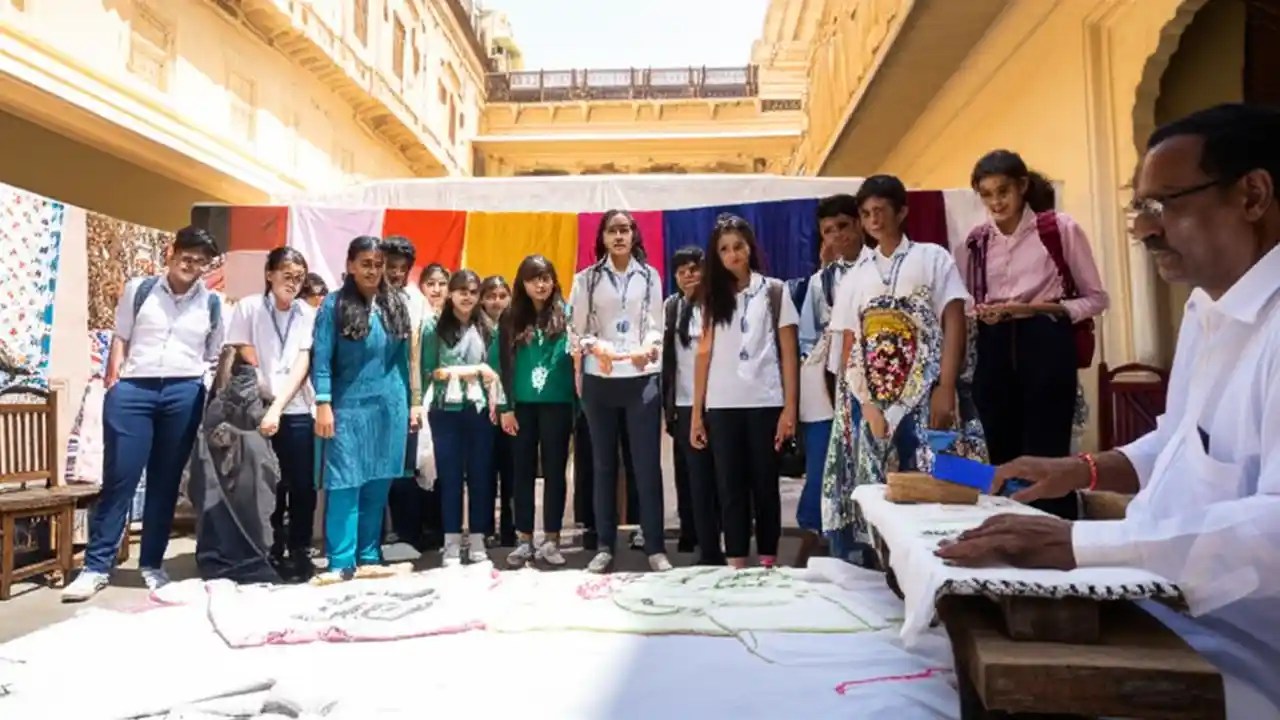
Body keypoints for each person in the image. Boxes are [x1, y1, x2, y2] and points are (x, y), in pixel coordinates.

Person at [937, 104, 1280, 718]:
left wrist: (1082, 543)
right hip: (1151, 611)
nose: (1142, 230)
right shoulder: (1207, 311)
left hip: (1239, 662)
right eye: (1139, 208)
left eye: (1163, 205)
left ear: (1253, 195)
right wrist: (1080, 472)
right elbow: (1179, 444)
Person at [63, 227, 225, 601]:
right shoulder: (140, 289)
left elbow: (214, 352)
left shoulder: (212, 304)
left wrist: (201, 384)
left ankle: (151, 564)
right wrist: (115, 381)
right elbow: (121, 336)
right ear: (171, 252)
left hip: (183, 392)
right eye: (188, 257)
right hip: (134, 390)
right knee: (120, 478)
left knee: (165, 483)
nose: (193, 265)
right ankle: (95, 567)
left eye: (202, 261)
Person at [826, 175, 978, 558]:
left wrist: (946, 386)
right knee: (882, 492)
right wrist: (866, 405)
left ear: (902, 211)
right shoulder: (855, 276)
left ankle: (951, 563)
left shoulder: (932, 257)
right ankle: (887, 574)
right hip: (872, 402)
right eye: (865, 213)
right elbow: (849, 344)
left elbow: (954, 318)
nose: (873, 220)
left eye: (880, 210)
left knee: (949, 479)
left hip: (929, 390)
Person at [954, 150, 1108, 520]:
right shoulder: (976, 241)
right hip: (994, 344)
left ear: (1023, 186)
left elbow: (1096, 299)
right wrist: (984, 312)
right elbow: (967, 301)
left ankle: (1056, 533)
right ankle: (1007, 531)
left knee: (1046, 446)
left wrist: (1039, 309)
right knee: (998, 446)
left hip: (1045, 340)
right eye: (987, 194)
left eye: (1003, 191)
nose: (996, 202)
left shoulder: (1058, 229)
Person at [690, 214, 799, 569]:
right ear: (716, 256)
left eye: (738, 246)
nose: (733, 254)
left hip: (765, 403)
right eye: (724, 249)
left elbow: (788, 355)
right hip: (722, 405)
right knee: (730, 488)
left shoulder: (774, 290)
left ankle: (768, 558)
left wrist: (789, 410)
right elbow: (702, 357)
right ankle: (736, 560)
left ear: (750, 247)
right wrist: (697, 414)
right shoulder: (709, 298)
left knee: (765, 486)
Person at [310, 236, 416, 585]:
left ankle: (369, 555)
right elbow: (321, 359)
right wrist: (323, 402)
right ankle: (341, 560)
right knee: (345, 483)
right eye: (366, 263)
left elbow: (403, 361)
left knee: (378, 483)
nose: (373, 270)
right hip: (347, 407)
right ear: (351, 265)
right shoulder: (333, 305)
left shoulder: (395, 303)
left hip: (390, 406)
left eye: (378, 264)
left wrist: (410, 404)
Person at [569, 209, 671, 573]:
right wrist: (596, 348)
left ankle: (655, 545)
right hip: (601, 378)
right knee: (603, 464)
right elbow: (575, 330)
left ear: (634, 235)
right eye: (612, 230)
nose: (619, 236)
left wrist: (650, 346)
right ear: (603, 237)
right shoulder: (587, 279)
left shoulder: (650, 275)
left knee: (645, 465)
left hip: (642, 377)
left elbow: (657, 324)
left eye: (625, 229)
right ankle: (604, 545)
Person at [224, 246, 317, 582]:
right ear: (270, 274)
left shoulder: (307, 313)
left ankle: (300, 549)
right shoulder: (249, 307)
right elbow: (244, 350)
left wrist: (279, 404)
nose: (293, 283)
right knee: (266, 485)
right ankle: (270, 548)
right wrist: (265, 396)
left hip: (295, 408)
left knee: (302, 485)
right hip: (257, 409)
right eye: (287, 275)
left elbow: (304, 361)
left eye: (299, 278)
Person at [796, 194, 866, 566]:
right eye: (829, 230)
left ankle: (871, 545)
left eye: (843, 225)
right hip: (828, 387)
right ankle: (826, 538)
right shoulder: (820, 283)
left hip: (879, 380)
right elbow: (807, 339)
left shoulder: (879, 268)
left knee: (871, 461)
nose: (838, 235)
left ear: (859, 224)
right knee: (826, 464)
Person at [496, 257, 575, 567]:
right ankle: (525, 539)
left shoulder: (567, 314)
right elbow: (501, 364)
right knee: (522, 472)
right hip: (522, 407)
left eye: (546, 278)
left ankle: (552, 539)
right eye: (533, 279)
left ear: (554, 281)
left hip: (558, 403)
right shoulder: (511, 317)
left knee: (556, 471)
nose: (540, 285)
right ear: (523, 283)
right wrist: (506, 407)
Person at [421, 269, 501, 566]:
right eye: (461, 291)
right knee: (451, 477)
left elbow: (495, 371)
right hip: (446, 411)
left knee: (481, 475)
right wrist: (472, 371)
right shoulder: (433, 328)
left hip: (479, 411)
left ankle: (478, 538)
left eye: (472, 291)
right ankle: (451, 540)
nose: (467, 297)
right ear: (450, 294)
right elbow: (431, 371)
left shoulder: (488, 328)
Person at [662, 246, 723, 565]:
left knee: (721, 477)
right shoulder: (672, 307)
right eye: (681, 269)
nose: (688, 274)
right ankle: (704, 545)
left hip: (721, 402)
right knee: (693, 478)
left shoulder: (718, 305)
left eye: (694, 268)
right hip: (685, 403)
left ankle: (728, 542)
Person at [382, 236, 434, 551]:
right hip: (372, 397)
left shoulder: (416, 302)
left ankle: (407, 535)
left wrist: (416, 400)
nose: (396, 273)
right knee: (376, 469)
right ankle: (374, 537)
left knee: (406, 468)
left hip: (406, 397)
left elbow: (420, 356)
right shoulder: (365, 298)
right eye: (391, 266)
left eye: (402, 268)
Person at [480, 275, 517, 547]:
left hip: (511, 409)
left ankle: (510, 529)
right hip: (482, 410)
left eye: (502, 295)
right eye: (491, 296)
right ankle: (485, 529)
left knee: (512, 472)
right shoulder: (473, 327)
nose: (497, 301)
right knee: (485, 472)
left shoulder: (517, 326)